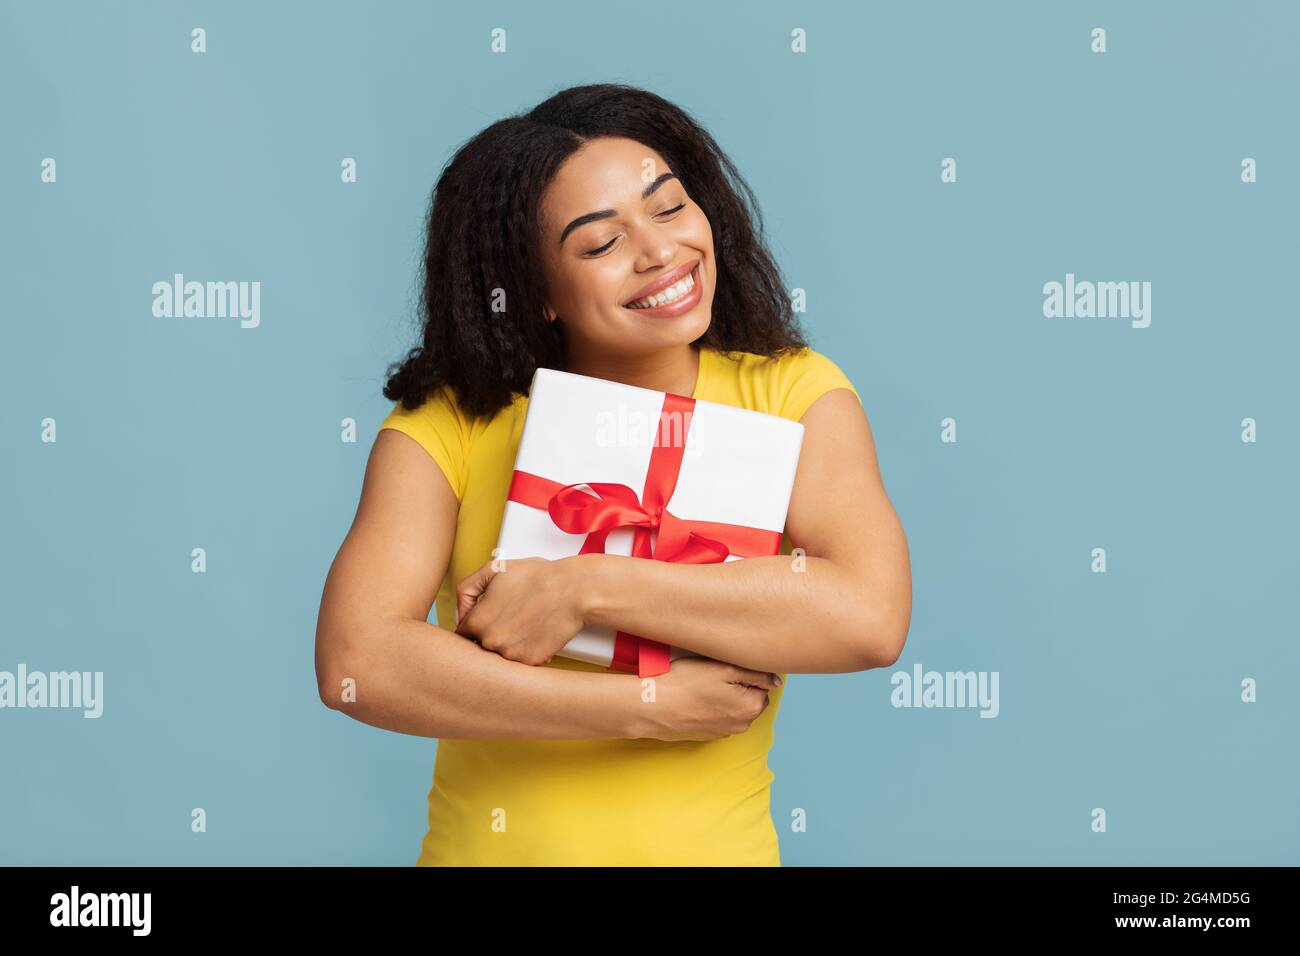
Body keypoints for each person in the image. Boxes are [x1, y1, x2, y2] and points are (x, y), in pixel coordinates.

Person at [315, 83, 912, 866]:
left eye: (669, 208)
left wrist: (581, 586)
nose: (660, 251)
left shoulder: (791, 392)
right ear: (537, 293)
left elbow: (868, 615)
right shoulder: (451, 424)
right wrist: (645, 706)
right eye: (600, 244)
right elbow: (357, 663)